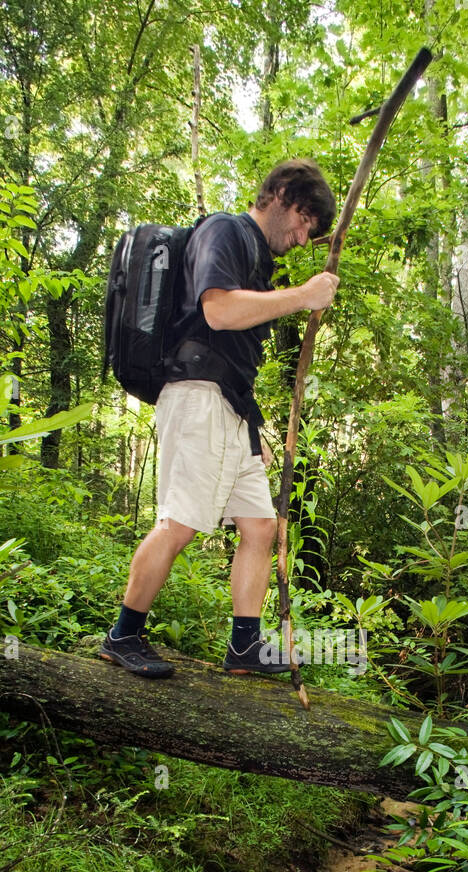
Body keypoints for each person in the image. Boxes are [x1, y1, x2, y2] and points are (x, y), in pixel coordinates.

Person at [99, 159, 339, 678]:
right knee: (180, 522)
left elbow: (234, 349)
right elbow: (218, 312)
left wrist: (252, 429)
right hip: (196, 395)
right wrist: (303, 297)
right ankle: (123, 635)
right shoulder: (226, 230)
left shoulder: (259, 260)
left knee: (261, 525)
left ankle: (244, 647)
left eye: (312, 232)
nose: (302, 238)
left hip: (230, 406)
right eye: (302, 222)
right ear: (278, 195)